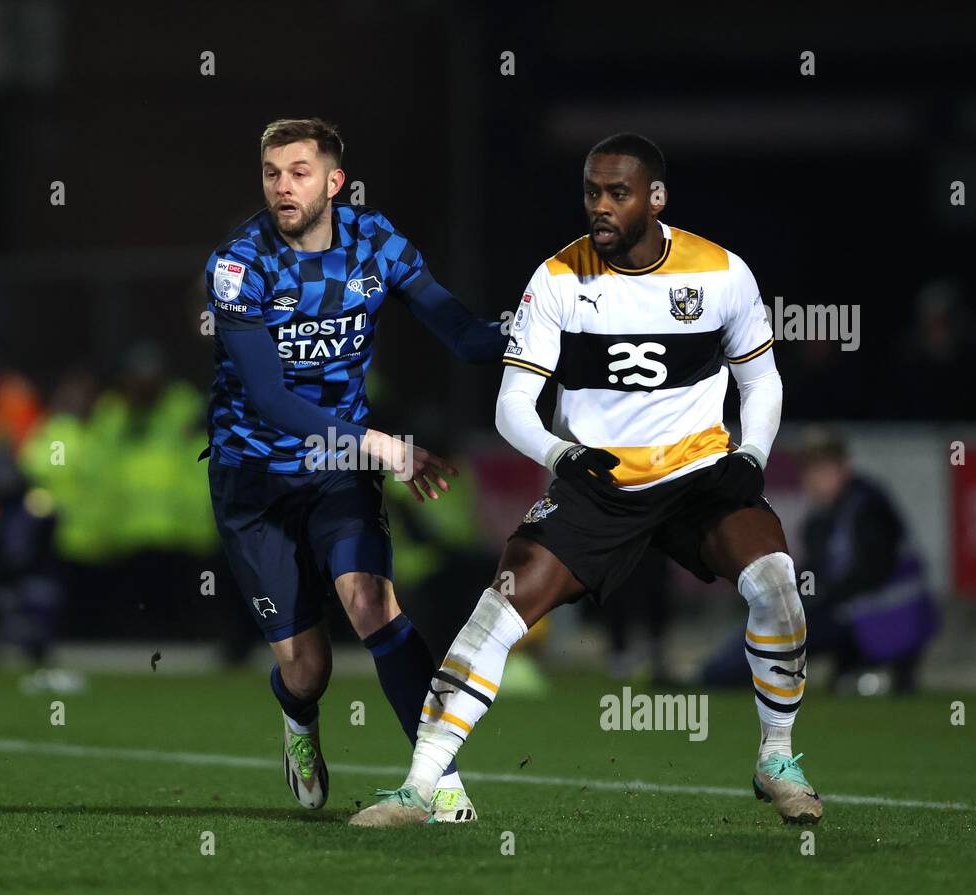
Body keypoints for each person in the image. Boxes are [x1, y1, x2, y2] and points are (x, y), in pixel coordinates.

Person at [351, 133, 823, 828]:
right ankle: (420, 788)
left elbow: (761, 380)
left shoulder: (722, 272)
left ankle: (775, 757)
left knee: (777, 583)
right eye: (591, 192)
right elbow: (512, 405)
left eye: (617, 193)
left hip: (697, 473)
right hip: (596, 480)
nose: (600, 206)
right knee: (497, 612)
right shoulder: (556, 280)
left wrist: (751, 454)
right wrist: (560, 455)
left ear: (655, 199)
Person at [205, 117, 506, 822]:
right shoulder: (239, 265)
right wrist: (388, 448)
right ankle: (297, 718)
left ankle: (441, 779)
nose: (283, 187)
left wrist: (549, 330)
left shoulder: (377, 243)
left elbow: (464, 336)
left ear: (335, 181)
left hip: (339, 464)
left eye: (299, 172)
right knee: (308, 669)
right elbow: (271, 400)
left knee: (371, 602)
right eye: (272, 173)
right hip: (254, 477)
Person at [703, 428, 938, 693]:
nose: (813, 479)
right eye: (808, 470)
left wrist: (812, 598)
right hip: (856, 616)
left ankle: (729, 673)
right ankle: (723, 672)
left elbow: (871, 572)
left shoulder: (867, 506)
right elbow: (818, 576)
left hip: (891, 618)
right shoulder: (820, 522)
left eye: (822, 468)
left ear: (843, 467)